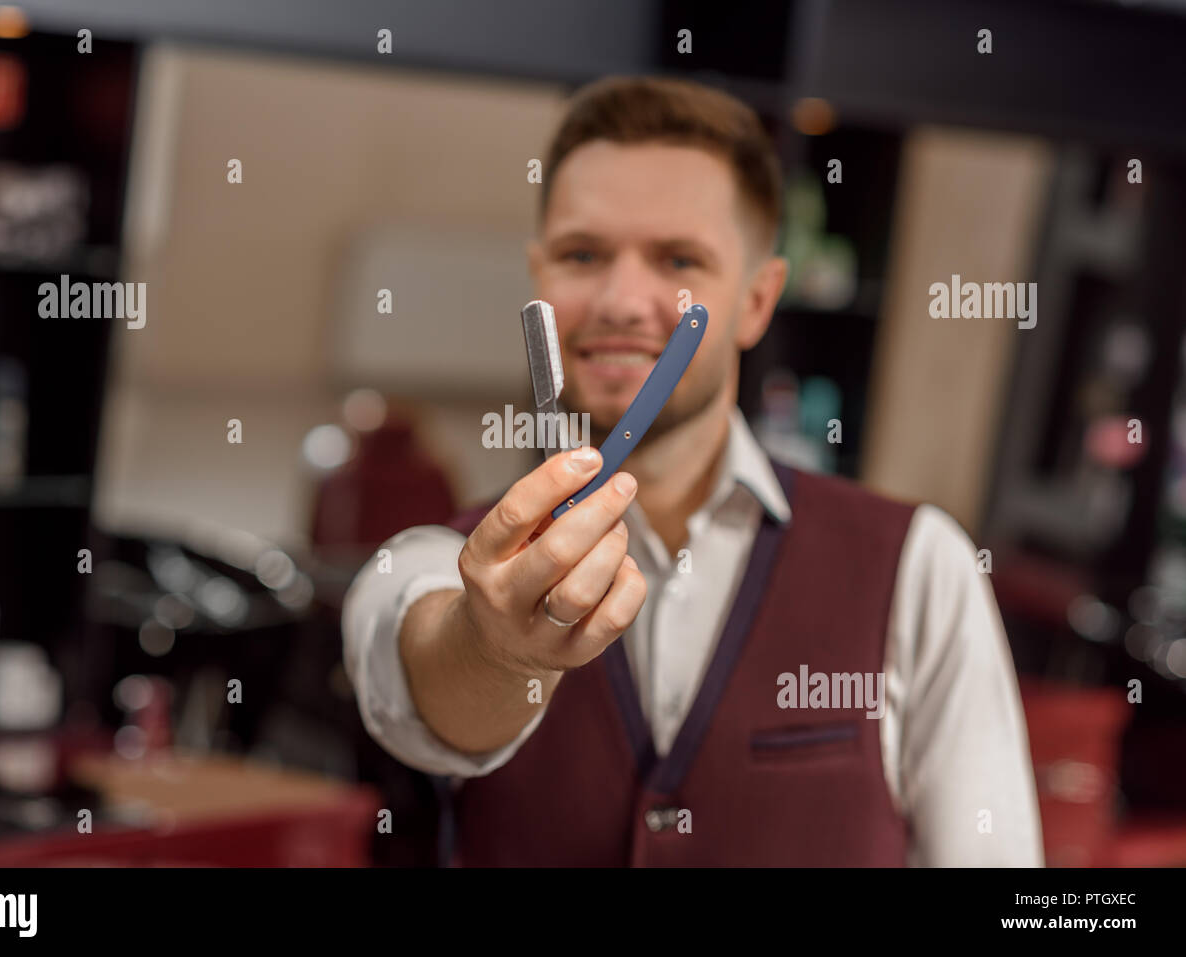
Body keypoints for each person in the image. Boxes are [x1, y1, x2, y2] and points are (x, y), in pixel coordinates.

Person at [342, 75, 1043, 866]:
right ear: (540, 278)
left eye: (679, 258)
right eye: (582, 254)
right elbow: (420, 671)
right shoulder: (439, 555)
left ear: (757, 299)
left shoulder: (919, 565)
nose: (621, 299)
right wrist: (498, 649)